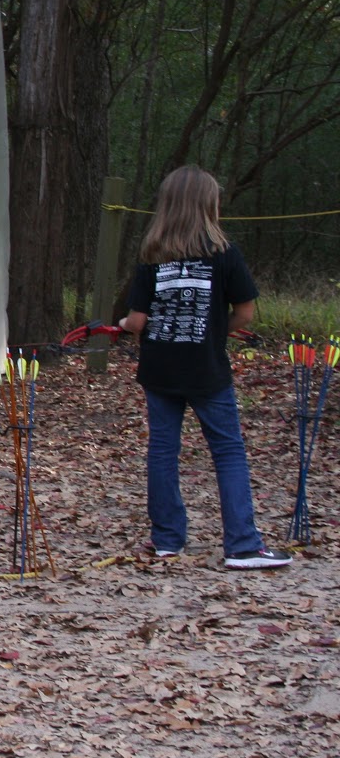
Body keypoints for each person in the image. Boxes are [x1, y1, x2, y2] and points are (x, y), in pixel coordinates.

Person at [117, 166, 291, 569]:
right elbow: (245, 312)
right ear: (208, 205)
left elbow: (137, 321)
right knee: (228, 451)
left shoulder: (151, 257)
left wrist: (126, 326)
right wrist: (217, 332)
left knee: (163, 451)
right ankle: (243, 545)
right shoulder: (224, 254)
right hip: (206, 369)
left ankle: (167, 540)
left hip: (160, 368)